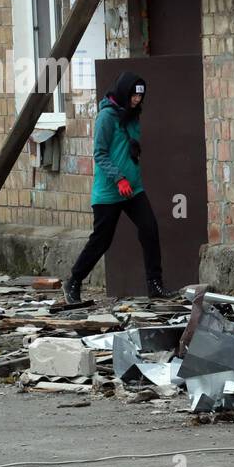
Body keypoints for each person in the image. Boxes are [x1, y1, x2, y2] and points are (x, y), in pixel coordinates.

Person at [63, 71, 170, 303]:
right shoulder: (106, 117)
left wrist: (133, 152)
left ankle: (155, 284)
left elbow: (126, 145)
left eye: (140, 97)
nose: (136, 100)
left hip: (133, 188)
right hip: (109, 191)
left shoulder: (132, 116)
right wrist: (118, 178)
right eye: (133, 96)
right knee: (102, 240)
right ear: (123, 92)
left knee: (149, 228)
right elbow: (100, 154)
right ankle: (74, 280)